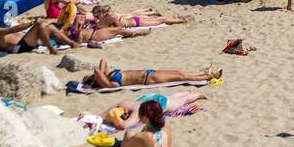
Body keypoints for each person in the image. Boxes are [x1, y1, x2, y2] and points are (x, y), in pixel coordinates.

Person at [102, 87, 210, 129]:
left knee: (182, 101)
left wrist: (113, 121)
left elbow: (124, 125)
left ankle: (198, 94)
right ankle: (187, 92)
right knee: (171, 98)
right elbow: (101, 115)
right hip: (150, 98)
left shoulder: (137, 111)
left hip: (160, 103)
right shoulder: (125, 103)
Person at [0, 11, 79, 55]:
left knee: (50, 27)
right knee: (39, 27)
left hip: (23, 42)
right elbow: (12, 30)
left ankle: (72, 43)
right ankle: (52, 49)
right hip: (18, 47)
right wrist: (32, 23)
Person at [83, 59, 220, 90]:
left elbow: (103, 61)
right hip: (148, 79)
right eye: (91, 77)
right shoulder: (109, 83)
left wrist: (98, 75)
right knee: (180, 77)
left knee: (178, 72)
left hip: (149, 72)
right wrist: (94, 77)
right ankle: (208, 77)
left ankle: (203, 73)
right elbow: (97, 69)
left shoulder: (107, 75)